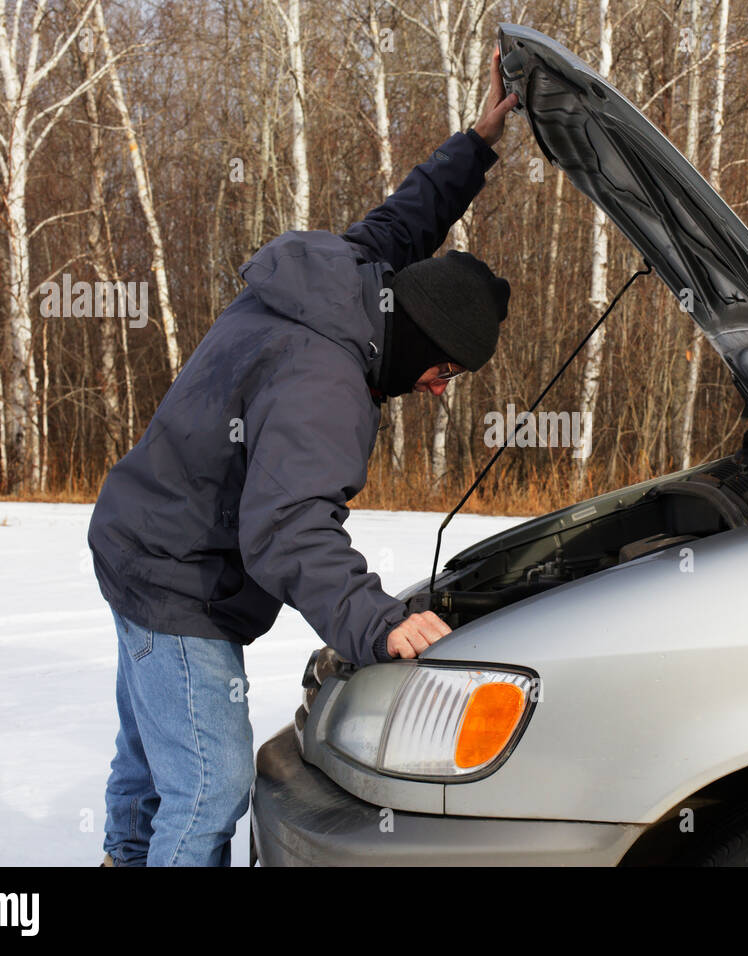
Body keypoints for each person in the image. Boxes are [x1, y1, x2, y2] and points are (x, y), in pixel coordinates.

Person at [87, 47, 518, 867]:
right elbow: (286, 529)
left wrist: (478, 142)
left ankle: (120, 858)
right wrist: (380, 620)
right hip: (179, 578)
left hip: (139, 534)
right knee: (208, 785)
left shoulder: (341, 280)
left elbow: (404, 222)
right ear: (421, 342)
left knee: (151, 750)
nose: (437, 389)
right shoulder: (326, 384)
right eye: (444, 371)